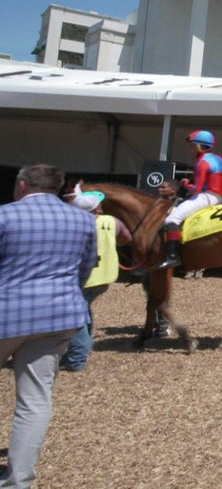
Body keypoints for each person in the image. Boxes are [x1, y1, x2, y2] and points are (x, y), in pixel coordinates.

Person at [0, 164, 97, 488]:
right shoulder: (83, 220)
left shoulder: (5, 216)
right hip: (58, 316)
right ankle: (19, 481)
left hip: (6, 314)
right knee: (35, 399)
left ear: (23, 185)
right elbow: (84, 271)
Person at [62, 191, 131, 372]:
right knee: (83, 310)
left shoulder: (73, 226)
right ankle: (84, 345)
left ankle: (77, 359)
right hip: (105, 276)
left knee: (76, 319)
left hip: (84, 279)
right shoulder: (112, 222)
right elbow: (126, 238)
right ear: (97, 208)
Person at [156, 129, 222, 270]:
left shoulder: (202, 162)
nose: (191, 150)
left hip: (204, 197)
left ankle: (172, 257)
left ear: (199, 146)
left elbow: (196, 189)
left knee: (171, 220)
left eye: (192, 147)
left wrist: (184, 183)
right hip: (218, 197)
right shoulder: (221, 159)